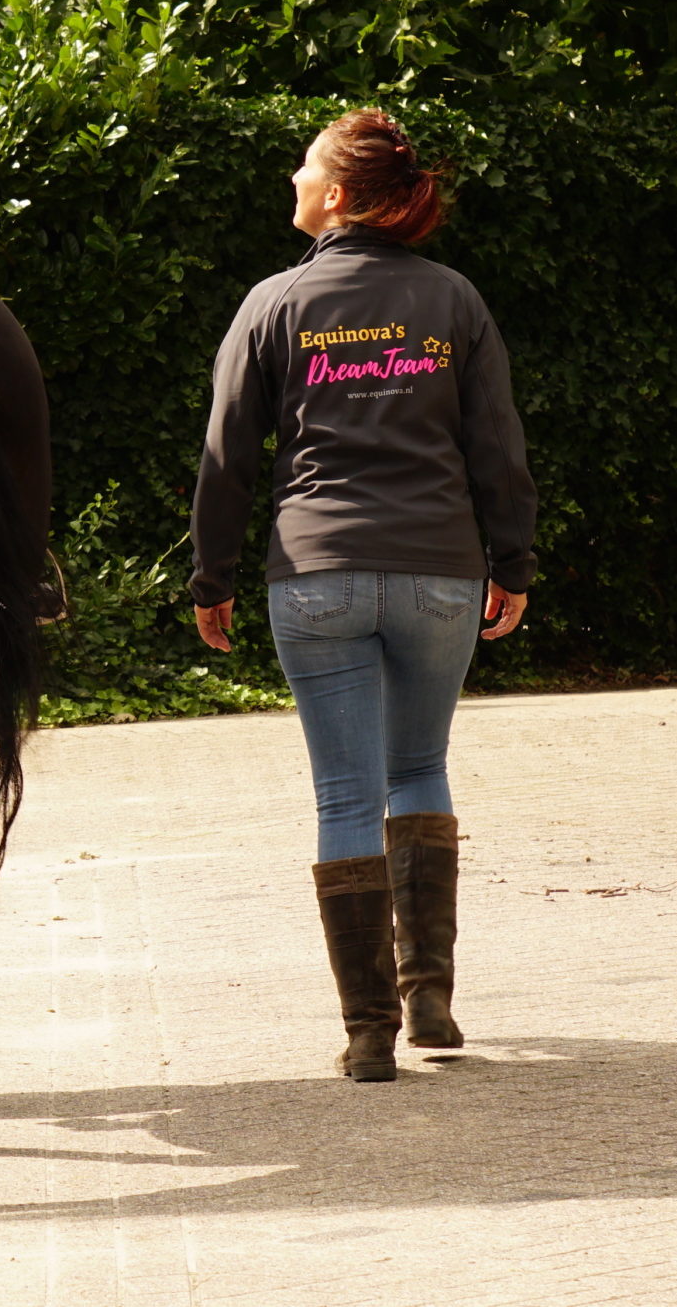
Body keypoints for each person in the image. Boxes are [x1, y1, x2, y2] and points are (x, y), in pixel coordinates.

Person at [188, 111, 536, 1083]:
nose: (293, 178)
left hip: (316, 576)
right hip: (439, 571)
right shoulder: (452, 298)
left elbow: (226, 455)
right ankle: (429, 996)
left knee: (345, 794)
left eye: (305, 167)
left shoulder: (273, 303)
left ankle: (368, 1031)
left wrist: (211, 575)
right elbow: (496, 445)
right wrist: (511, 562)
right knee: (418, 767)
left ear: (337, 195)